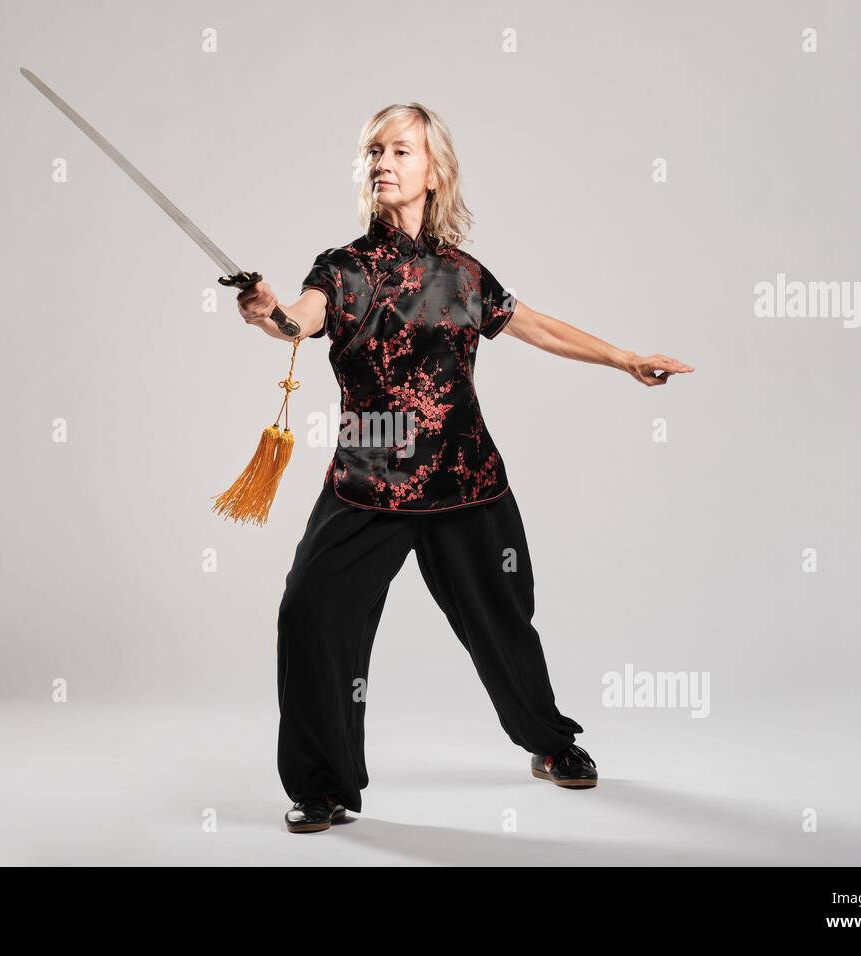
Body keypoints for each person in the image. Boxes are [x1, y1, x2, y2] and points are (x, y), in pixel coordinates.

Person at [232, 103, 693, 833]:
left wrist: (623, 356)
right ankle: (321, 786)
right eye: (373, 151)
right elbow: (302, 316)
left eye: (400, 151)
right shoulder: (344, 269)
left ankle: (549, 744)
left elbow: (533, 323)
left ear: (433, 171)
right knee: (311, 611)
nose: (383, 163)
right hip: (370, 483)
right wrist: (268, 313)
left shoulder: (463, 274)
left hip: (465, 479)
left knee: (504, 622)